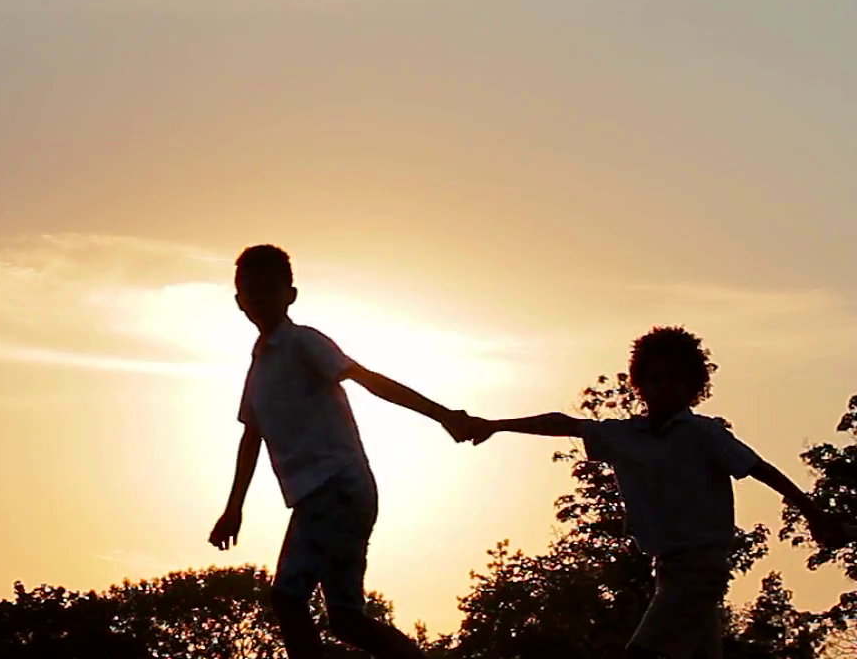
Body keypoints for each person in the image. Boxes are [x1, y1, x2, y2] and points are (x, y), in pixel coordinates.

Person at [468, 326, 853, 659]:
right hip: (667, 567)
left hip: (700, 567)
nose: (663, 387)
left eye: (674, 379)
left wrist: (813, 513)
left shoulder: (703, 434)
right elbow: (561, 423)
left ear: (692, 386)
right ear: (639, 384)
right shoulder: (624, 436)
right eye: (653, 378)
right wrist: (494, 424)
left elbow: (760, 469)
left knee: (643, 655)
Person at [209, 244, 484, 659]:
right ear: (238, 301)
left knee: (288, 597)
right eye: (251, 291)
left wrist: (441, 414)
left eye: (269, 289)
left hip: (335, 487)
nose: (259, 299)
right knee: (345, 618)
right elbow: (252, 437)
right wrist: (234, 509)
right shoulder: (260, 364)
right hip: (324, 493)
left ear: (291, 294)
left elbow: (366, 379)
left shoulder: (303, 343)